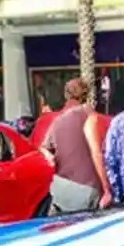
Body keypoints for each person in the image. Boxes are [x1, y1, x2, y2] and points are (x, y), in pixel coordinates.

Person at [40, 78, 113, 213]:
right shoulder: (90, 116)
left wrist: (50, 159)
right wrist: (107, 189)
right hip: (87, 189)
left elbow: (43, 147)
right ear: (86, 95)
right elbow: (96, 152)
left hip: (60, 188)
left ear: (66, 95)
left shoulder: (57, 121)